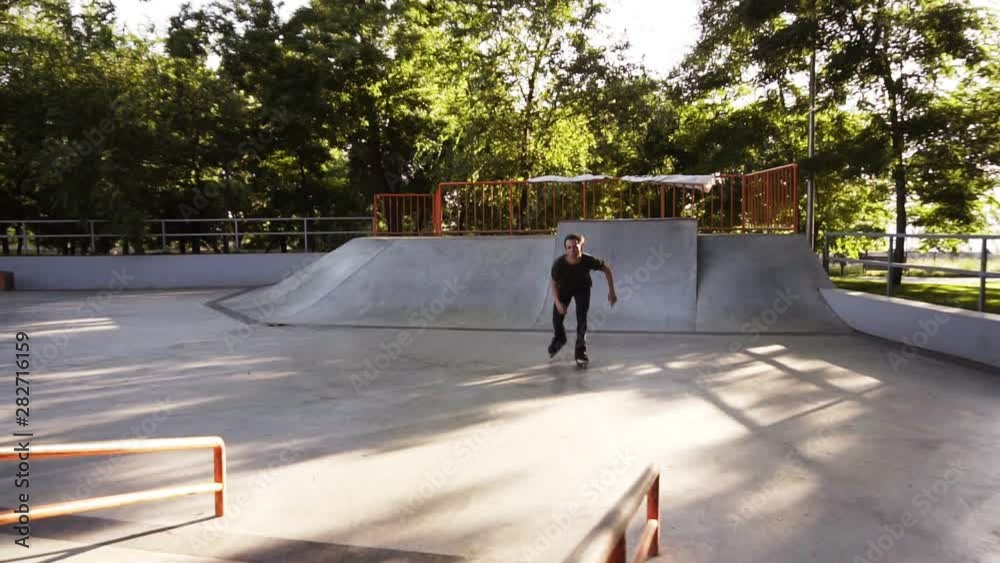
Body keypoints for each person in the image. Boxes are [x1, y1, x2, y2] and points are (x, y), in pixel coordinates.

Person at [548, 233, 617, 363]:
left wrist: (612, 292)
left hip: (582, 289)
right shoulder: (559, 264)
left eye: (575, 247)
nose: (572, 250)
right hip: (563, 289)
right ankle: (560, 338)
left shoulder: (588, 260)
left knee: (582, 319)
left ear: (581, 247)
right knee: (557, 319)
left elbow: (607, 270)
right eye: (569, 248)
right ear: (565, 249)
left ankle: (580, 352)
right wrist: (558, 303)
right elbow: (553, 283)